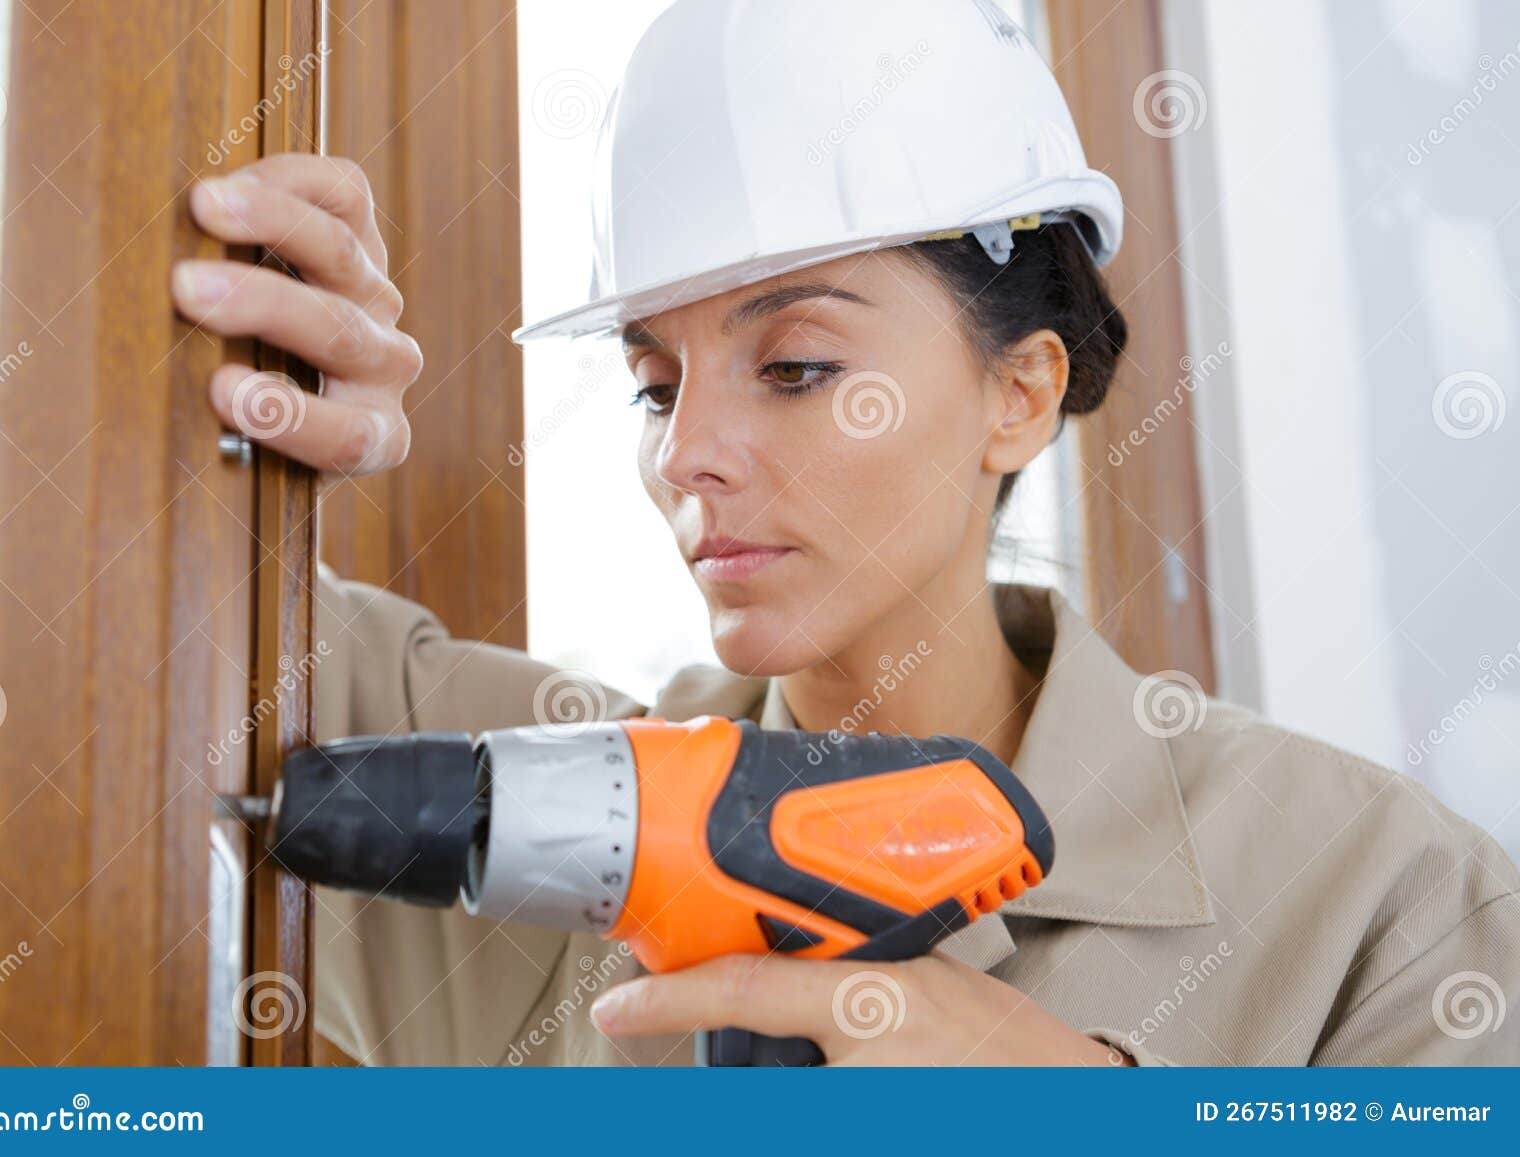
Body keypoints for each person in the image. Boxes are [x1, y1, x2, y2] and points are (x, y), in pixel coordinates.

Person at [170, 0, 1519, 1066]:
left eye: (799, 366)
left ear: (1021, 390)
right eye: (653, 383)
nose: (685, 449)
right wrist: (238, 387)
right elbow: (142, 657)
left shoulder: (1383, 900)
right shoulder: (547, 837)